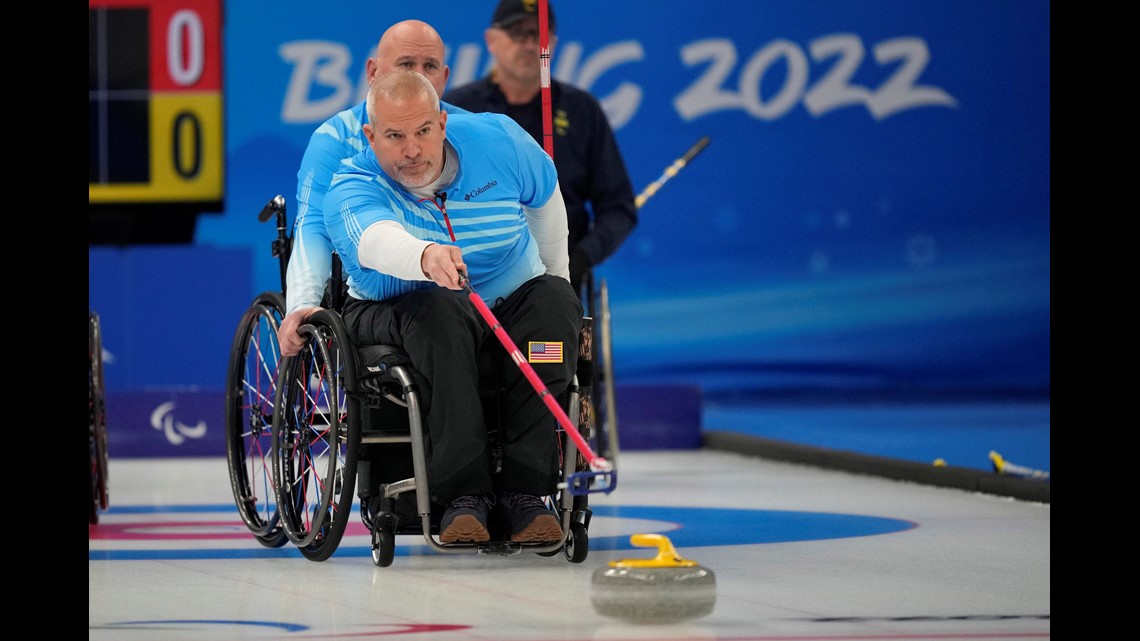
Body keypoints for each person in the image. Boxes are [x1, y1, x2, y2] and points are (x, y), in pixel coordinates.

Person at [322, 70, 582, 545]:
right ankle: (464, 497)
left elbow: (546, 209)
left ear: (443, 123)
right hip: (400, 307)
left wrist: (557, 287)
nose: (412, 150)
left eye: (423, 131)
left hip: (509, 298)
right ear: (369, 136)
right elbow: (376, 241)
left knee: (553, 309)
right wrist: (425, 256)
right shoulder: (351, 184)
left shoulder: (500, 141)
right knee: (442, 313)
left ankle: (526, 495)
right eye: (394, 136)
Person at [279, 20, 469, 357]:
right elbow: (313, 225)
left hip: (457, 291)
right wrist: (304, 303)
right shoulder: (333, 140)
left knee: (545, 334)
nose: (420, 76)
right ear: (373, 72)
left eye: (430, 66)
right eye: (407, 64)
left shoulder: (473, 133)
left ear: (445, 76)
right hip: (377, 294)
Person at [443, 0, 637, 298]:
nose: (530, 45)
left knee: (550, 341)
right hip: (477, 276)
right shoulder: (459, 110)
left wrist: (582, 257)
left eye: (539, 35)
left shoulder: (581, 110)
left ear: (553, 43)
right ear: (491, 40)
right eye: (517, 33)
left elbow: (619, 208)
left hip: (557, 274)